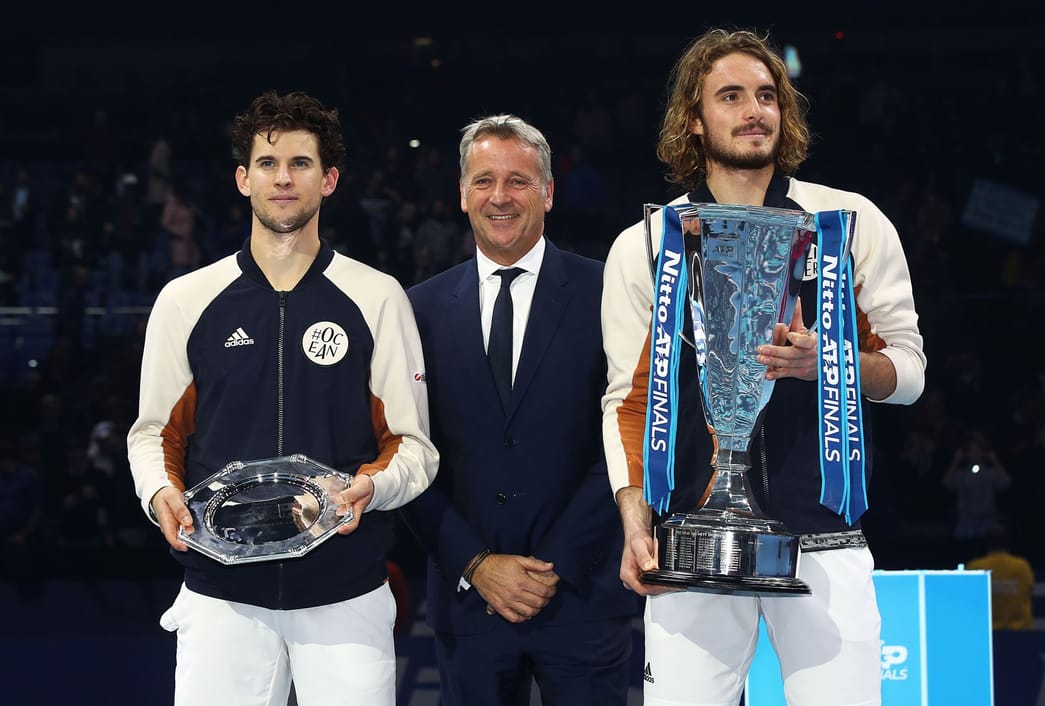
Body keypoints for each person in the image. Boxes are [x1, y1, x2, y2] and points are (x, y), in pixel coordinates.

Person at [601, 29, 926, 706]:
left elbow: (908, 372)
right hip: (690, 539)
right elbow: (627, 401)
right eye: (730, 96)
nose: (754, 110)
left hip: (823, 537)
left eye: (766, 95)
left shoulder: (846, 224)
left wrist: (827, 364)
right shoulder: (646, 243)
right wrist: (635, 520)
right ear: (693, 118)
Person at [127, 90, 439, 706]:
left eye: (301, 163)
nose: (284, 178)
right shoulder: (186, 300)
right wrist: (158, 493)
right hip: (221, 599)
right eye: (268, 163)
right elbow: (153, 433)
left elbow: (413, 448)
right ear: (243, 179)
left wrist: (371, 488)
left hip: (345, 593)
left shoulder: (377, 298)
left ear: (329, 179)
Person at [400, 114, 638, 706]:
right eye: (483, 181)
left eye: (519, 181)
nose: (499, 197)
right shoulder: (416, 310)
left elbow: (628, 430)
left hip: (582, 594)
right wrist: (476, 564)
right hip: (467, 603)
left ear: (549, 192)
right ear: (461, 193)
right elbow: (405, 453)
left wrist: (549, 567)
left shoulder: (607, 292)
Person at [967, 524, 1034, 630]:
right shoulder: (1022, 566)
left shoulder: (975, 566)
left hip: (986, 632)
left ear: (986, 542)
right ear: (1008, 541)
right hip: (1020, 633)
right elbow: (1029, 590)